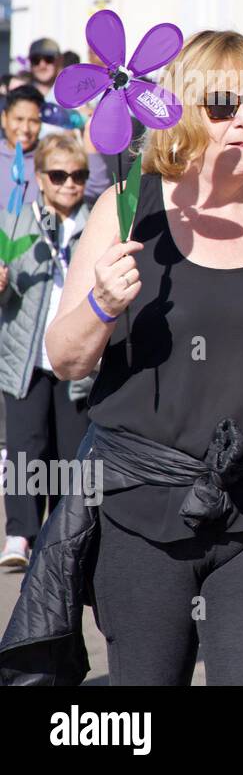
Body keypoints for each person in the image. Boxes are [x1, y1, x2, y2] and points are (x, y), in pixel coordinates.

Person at [4, 29, 243, 686]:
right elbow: (65, 356)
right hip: (142, 506)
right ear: (181, 110)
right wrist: (103, 305)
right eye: (225, 104)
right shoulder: (125, 210)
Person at [0, 134, 94, 570]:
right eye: (58, 176)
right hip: (25, 358)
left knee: (71, 452)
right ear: (40, 179)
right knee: (25, 448)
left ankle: (63, 534)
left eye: (78, 176)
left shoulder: (97, 224)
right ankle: (20, 533)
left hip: (75, 359)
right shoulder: (15, 221)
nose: (69, 185)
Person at [0, 87, 44, 214]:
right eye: (19, 119)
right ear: (4, 118)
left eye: (33, 121)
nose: (25, 129)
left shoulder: (49, 159)